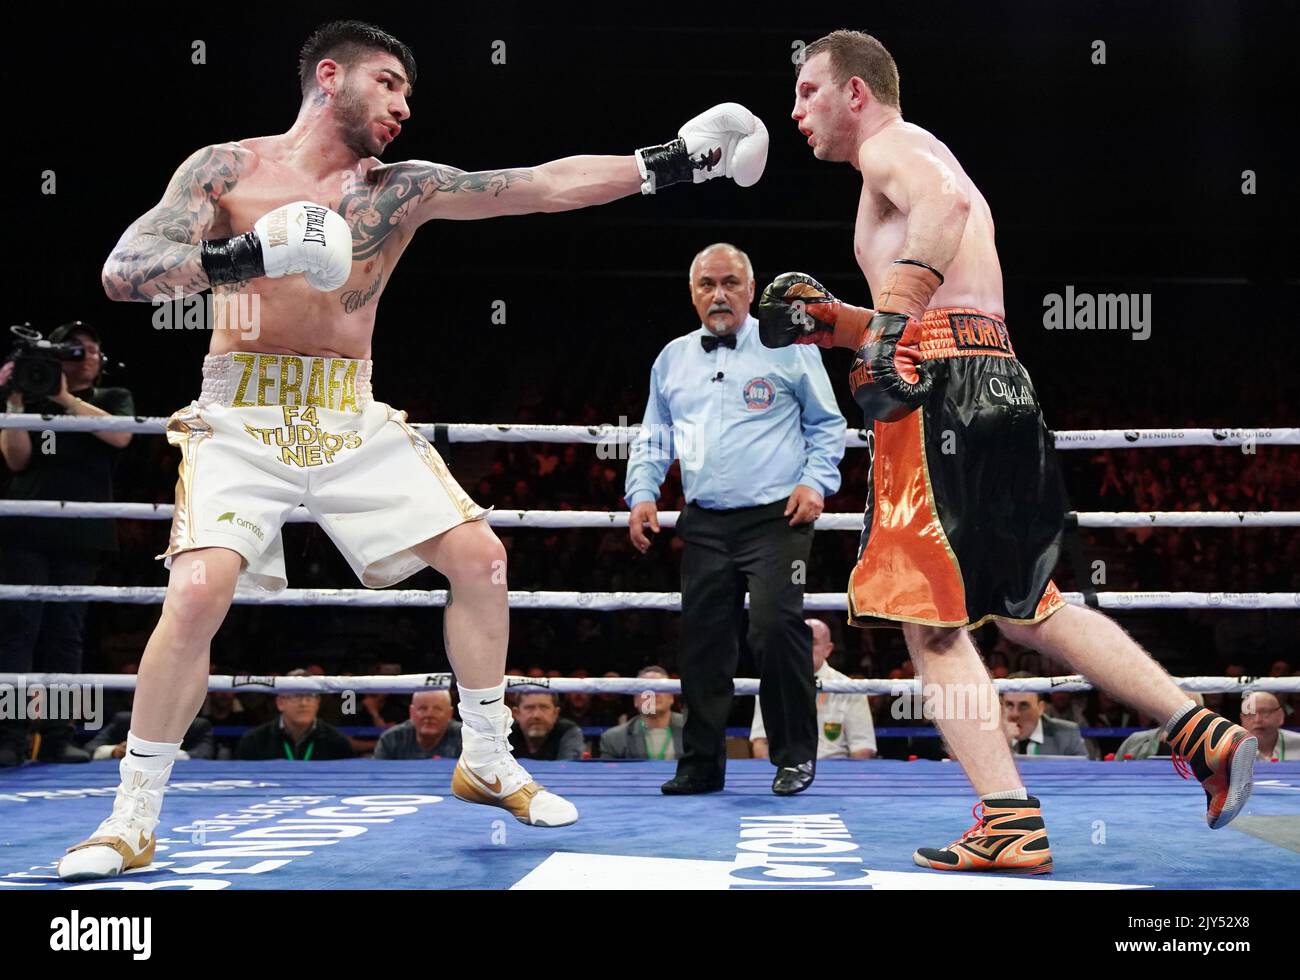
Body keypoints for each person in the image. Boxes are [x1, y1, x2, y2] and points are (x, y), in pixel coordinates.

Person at [56, 19, 769, 880]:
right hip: (243, 411)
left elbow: (537, 186)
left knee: (480, 558)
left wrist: (674, 160)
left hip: (348, 412)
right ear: (330, 76)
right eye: (389, 83)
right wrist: (249, 253)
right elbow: (125, 269)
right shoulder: (229, 167)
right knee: (201, 585)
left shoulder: (402, 188)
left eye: (408, 92)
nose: (403, 105)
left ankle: (487, 755)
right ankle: (132, 817)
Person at [759, 29, 1255, 873]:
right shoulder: (906, 165)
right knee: (1034, 604)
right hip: (1000, 382)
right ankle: (1202, 732)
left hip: (941, 397)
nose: (795, 110)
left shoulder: (892, 148)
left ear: (855, 92)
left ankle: (1007, 819)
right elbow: (918, 308)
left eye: (809, 91)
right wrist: (838, 324)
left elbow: (941, 223)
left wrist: (880, 329)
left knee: (932, 625)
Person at [626, 243, 845, 797]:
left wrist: (815, 482)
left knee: (775, 629)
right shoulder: (672, 357)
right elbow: (655, 434)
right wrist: (643, 492)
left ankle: (794, 756)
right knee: (703, 644)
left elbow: (826, 425)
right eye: (707, 284)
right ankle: (701, 764)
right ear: (694, 292)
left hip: (778, 519)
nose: (718, 294)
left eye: (729, 283)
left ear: (751, 290)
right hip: (704, 521)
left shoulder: (792, 348)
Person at [0, 321, 134, 766]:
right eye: (75, 350)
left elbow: (121, 435)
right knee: (18, 633)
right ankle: (9, 737)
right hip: (26, 530)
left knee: (65, 636)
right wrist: (16, 400)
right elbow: (17, 460)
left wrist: (63, 398)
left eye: (92, 350)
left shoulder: (111, 399)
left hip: (80, 533)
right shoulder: (32, 401)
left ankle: (58, 737)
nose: (87, 357)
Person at [751, 619, 876, 763]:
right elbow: (760, 743)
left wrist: (845, 782)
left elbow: (862, 748)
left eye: (813, 642)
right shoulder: (772, 686)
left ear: (828, 650)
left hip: (835, 772)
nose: (804, 646)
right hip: (785, 771)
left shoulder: (849, 689)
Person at [236, 674, 354, 760]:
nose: (303, 703)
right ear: (280, 702)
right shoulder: (253, 742)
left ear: (318, 702)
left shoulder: (338, 743)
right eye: (296, 696)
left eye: (309, 696)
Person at [599, 666, 685, 759]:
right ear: (636, 700)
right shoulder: (614, 739)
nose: (653, 694)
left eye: (660, 687)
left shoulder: (694, 730)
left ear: (671, 697)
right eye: (646, 688)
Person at [1000, 674, 1089, 758]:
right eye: (1009, 705)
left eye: (1024, 706)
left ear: (1040, 708)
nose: (1015, 714)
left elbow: (1082, 771)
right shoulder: (993, 737)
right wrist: (1004, 744)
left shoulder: (1067, 734)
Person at [373, 690, 463, 759]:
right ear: (411, 712)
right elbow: (374, 777)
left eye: (437, 709)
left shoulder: (465, 738)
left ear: (449, 713)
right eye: (422, 709)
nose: (429, 715)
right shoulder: (391, 738)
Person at [509, 692, 584, 761]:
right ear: (516, 713)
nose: (536, 715)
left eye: (544, 708)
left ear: (555, 713)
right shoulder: (506, 733)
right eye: (529, 708)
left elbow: (568, 770)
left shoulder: (568, 731)